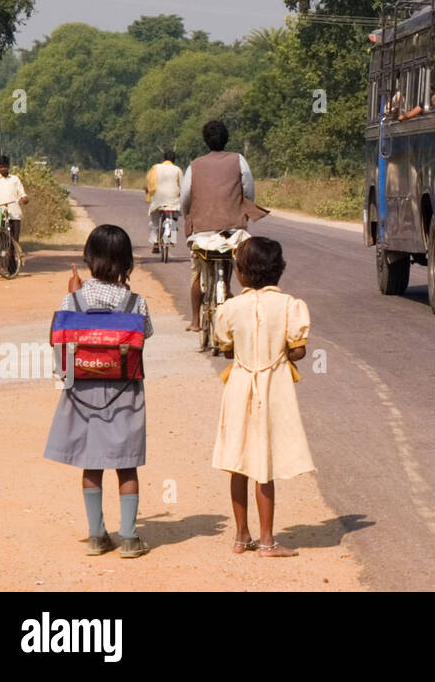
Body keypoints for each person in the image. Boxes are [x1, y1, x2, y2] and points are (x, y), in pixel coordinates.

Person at [43, 225, 151, 558]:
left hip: (82, 390)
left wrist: (72, 295)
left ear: (89, 258)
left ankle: (96, 536)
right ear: (126, 261)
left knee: (92, 464)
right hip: (125, 391)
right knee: (126, 463)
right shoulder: (136, 302)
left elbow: (55, 338)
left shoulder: (73, 298)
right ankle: (130, 538)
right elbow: (142, 336)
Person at [212, 236, 313, 557]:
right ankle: (268, 541)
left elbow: (226, 348)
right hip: (274, 388)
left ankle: (241, 537)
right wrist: (280, 352)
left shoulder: (229, 308)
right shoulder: (290, 306)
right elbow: (298, 350)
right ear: (279, 270)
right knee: (264, 464)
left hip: (240, 386)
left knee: (238, 462)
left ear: (240, 273)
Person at [181, 120, 268, 334]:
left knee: (198, 273)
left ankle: (195, 321)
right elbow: (248, 190)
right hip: (232, 229)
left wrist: (189, 216)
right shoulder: (239, 160)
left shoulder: (195, 165)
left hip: (202, 231)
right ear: (226, 138)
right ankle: (226, 292)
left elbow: (185, 197)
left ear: (205, 141)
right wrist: (243, 207)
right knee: (231, 257)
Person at [0, 155, 27, 275]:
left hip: (14, 212)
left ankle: (12, 267)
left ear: (8, 166)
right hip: (0, 212)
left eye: (5, 167)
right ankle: (3, 265)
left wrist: (24, 198)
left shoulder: (15, 179)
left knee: (14, 240)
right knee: (4, 241)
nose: (3, 169)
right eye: (1, 167)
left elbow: (21, 192)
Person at [144, 150, 184, 252]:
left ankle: (155, 241)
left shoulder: (155, 168)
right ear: (174, 160)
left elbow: (149, 181)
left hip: (158, 200)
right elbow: (183, 187)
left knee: (154, 222)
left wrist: (147, 190)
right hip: (173, 200)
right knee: (174, 216)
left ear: (163, 159)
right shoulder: (177, 170)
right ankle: (171, 236)